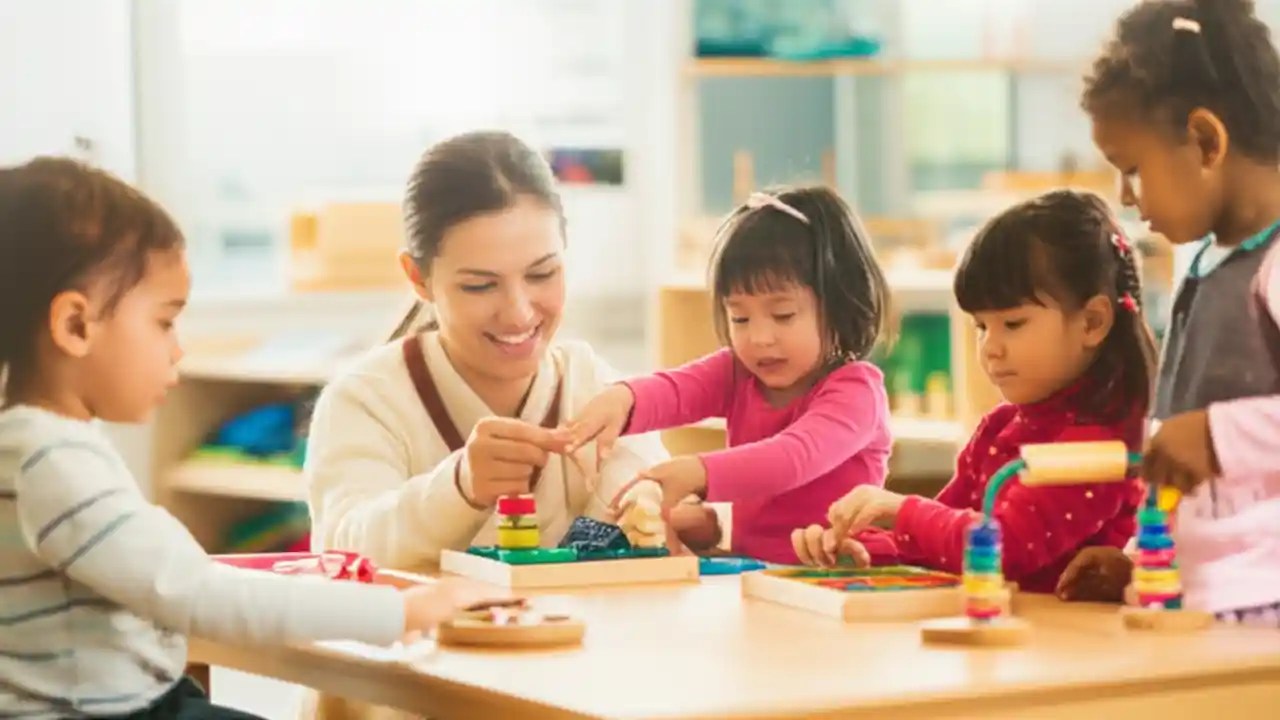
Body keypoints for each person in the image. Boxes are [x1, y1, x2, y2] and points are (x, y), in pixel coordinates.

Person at [0, 158, 482, 719]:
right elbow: (197, 596)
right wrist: (403, 612)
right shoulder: (50, 461)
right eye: (164, 322)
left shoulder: (35, 447)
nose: (177, 349)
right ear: (76, 326)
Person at [304, 130, 724, 571]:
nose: (519, 314)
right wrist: (461, 487)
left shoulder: (593, 387)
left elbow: (655, 512)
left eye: (542, 274)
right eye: (480, 285)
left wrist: (668, 515)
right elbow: (341, 551)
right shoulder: (366, 400)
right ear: (418, 277)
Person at [793, 190, 1154, 594]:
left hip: (1069, 649)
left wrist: (899, 510)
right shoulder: (1000, 427)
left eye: (1012, 324)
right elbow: (940, 539)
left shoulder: (1100, 446)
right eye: (981, 326)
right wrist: (860, 551)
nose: (989, 347)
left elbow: (1003, 546)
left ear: (1091, 322)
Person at [1057, 0, 1280, 625]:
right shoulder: (1208, 265)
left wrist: (1217, 434)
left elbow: (1210, 441)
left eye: (1133, 171)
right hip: (1199, 597)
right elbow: (1198, 483)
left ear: (1206, 141)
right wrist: (1144, 557)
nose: (1126, 198)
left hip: (1262, 603)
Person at [566, 186, 893, 564]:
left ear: (839, 304)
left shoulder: (857, 391)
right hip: (755, 576)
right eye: (739, 317)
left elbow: (791, 458)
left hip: (843, 575)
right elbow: (676, 390)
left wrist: (698, 473)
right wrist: (622, 399)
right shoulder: (738, 373)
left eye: (783, 315)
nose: (759, 338)